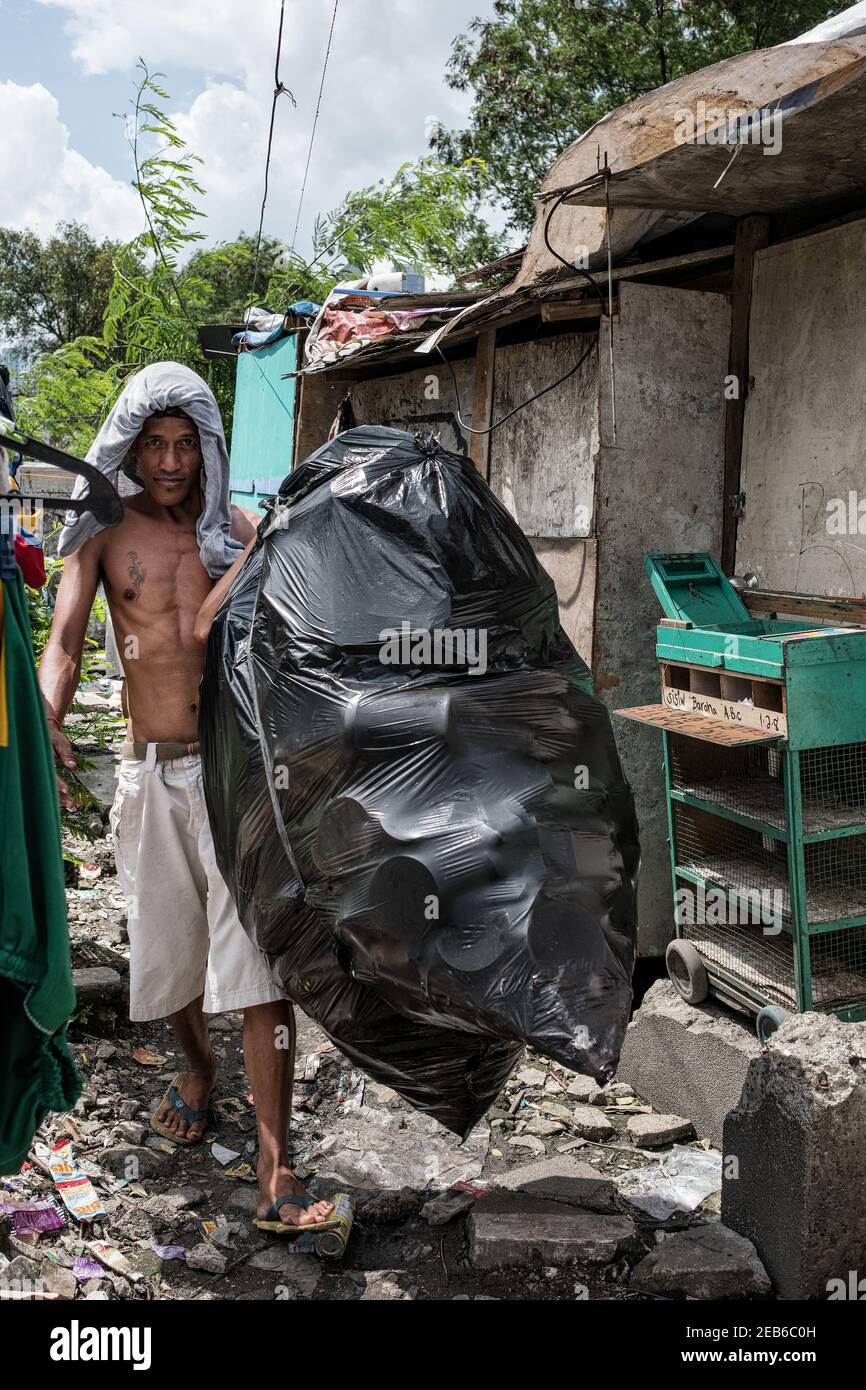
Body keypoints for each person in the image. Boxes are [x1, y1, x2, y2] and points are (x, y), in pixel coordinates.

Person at [38, 362, 333, 1232]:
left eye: (184, 446)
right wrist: (48, 723)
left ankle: (277, 1169)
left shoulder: (231, 533)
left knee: (256, 967)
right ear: (131, 447)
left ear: (207, 451)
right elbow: (61, 640)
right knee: (169, 962)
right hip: (149, 771)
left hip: (232, 775)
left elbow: (293, 639)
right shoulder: (101, 532)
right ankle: (198, 1068)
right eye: (153, 445)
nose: (170, 463)